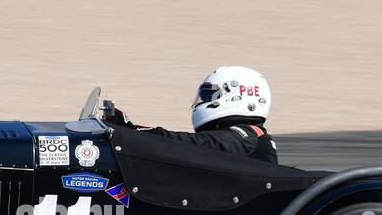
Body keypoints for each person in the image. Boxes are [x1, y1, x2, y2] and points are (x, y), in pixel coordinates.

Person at [104, 66, 277, 163]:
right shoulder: (248, 137)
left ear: (236, 95)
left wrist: (131, 131)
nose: (203, 100)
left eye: (209, 95)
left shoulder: (246, 137)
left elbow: (185, 143)